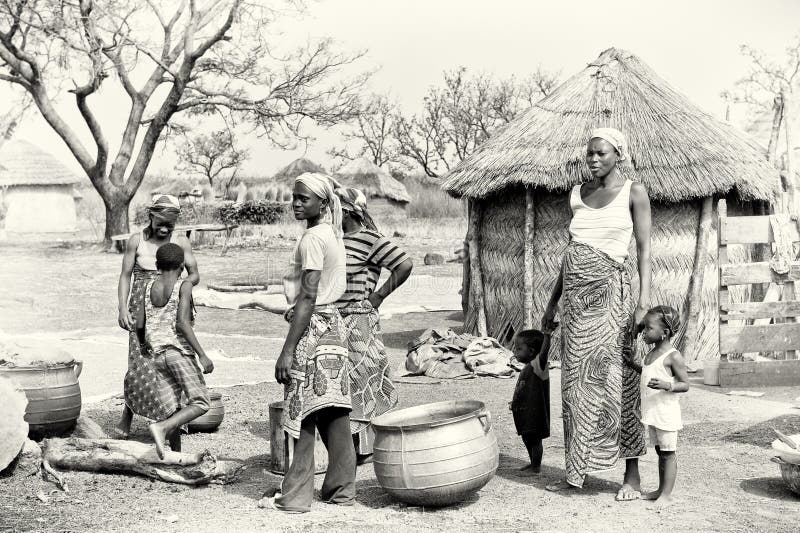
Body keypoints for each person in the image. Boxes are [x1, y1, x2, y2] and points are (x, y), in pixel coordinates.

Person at [542, 127, 652, 497]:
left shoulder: (634, 192)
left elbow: (643, 252)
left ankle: (631, 475)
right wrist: (551, 303)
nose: (592, 159)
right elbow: (568, 256)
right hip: (575, 308)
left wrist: (642, 304)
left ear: (617, 154)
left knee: (620, 383)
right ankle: (578, 468)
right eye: (589, 154)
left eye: (601, 153)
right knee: (577, 387)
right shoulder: (577, 195)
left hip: (612, 304)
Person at [260, 173, 355, 513]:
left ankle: (296, 497)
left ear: (323, 203)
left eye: (304, 199)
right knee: (333, 410)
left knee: (300, 415)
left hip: (315, 331)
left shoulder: (314, 238)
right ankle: (341, 490)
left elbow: (309, 295)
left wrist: (287, 350)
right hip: (334, 329)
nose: (297, 204)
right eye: (295, 198)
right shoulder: (331, 233)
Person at [334, 187, 412, 462]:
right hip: (334, 320)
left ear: (345, 210)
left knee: (363, 382)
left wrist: (378, 296)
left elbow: (404, 264)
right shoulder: (335, 239)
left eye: (331, 206)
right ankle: (350, 447)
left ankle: (366, 449)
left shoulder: (369, 239)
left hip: (358, 321)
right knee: (342, 383)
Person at [116, 195, 200, 438]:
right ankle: (128, 412)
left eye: (170, 225)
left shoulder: (181, 242)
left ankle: (173, 417)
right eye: (160, 223)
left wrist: (182, 285)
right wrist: (122, 308)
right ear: (150, 216)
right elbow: (125, 276)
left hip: (173, 308)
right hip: (141, 307)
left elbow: (194, 274)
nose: (164, 229)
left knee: (175, 359)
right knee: (140, 362)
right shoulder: (136, 241)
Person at [133, 243, 214, 459]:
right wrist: (202, 355)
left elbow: (139, 324)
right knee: (201, 402)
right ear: (181, 266)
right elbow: (182, 324)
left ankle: (175, 455)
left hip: (157, 356)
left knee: (173, 409)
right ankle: (161, 428)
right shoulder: (183, 286)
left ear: (157, 265)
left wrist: (143, 346)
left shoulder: (147, 286)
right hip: (178, 353)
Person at [624, 305, 689, 508]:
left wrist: (667, 385)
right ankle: (661, 490)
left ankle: (667, 495)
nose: (644, 332)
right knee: (661, 452)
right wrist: (632, 364)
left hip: (666, 414)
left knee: (669, 454)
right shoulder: (651, 354)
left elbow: (685, 384)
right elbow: (646, 372)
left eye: (648, 328)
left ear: (665, 333)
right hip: (653, 414)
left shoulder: (673, 356)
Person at [510, 328, 551, 476]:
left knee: (535, 440)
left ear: (532, 351)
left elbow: (544, 352)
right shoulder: (527, 367)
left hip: (535, 413)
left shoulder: (538, 364)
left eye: (519, 348)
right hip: (524, 412)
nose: (515, 351)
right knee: (527, 437)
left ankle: (536, 468)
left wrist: (547, 335)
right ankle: (533, 462)